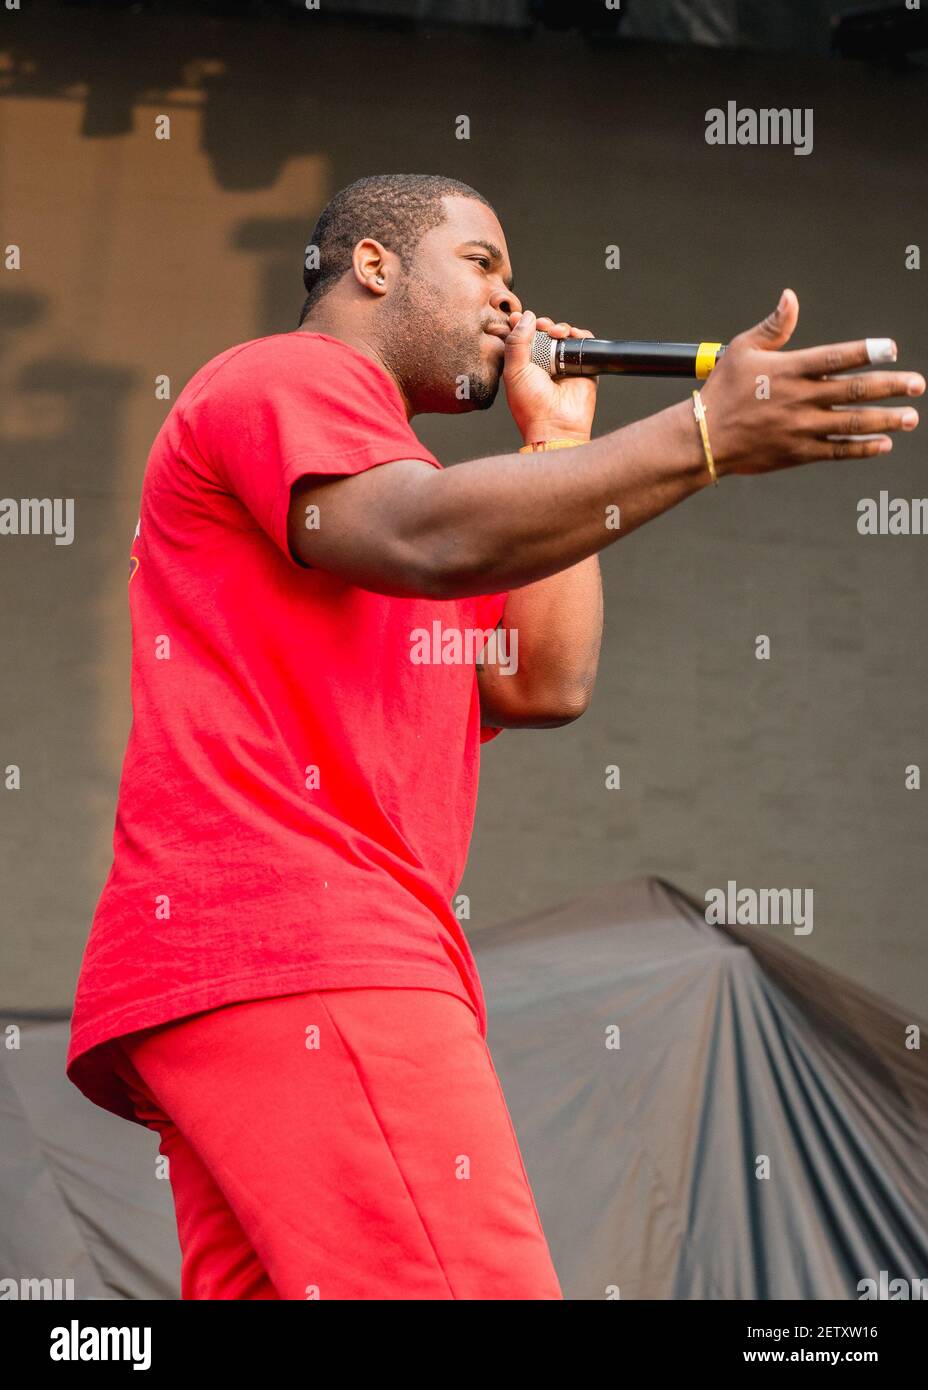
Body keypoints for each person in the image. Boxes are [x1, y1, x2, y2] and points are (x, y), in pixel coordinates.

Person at [66, 173, 923, 1300]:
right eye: (484, 267)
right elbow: (428, 539)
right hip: (307, 943)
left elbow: (539, 680)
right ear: (374, 265)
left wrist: (557, 442)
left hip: (238, 975)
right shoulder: (291, 381)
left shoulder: (401, 480)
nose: (514, 308)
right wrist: (703, 434)